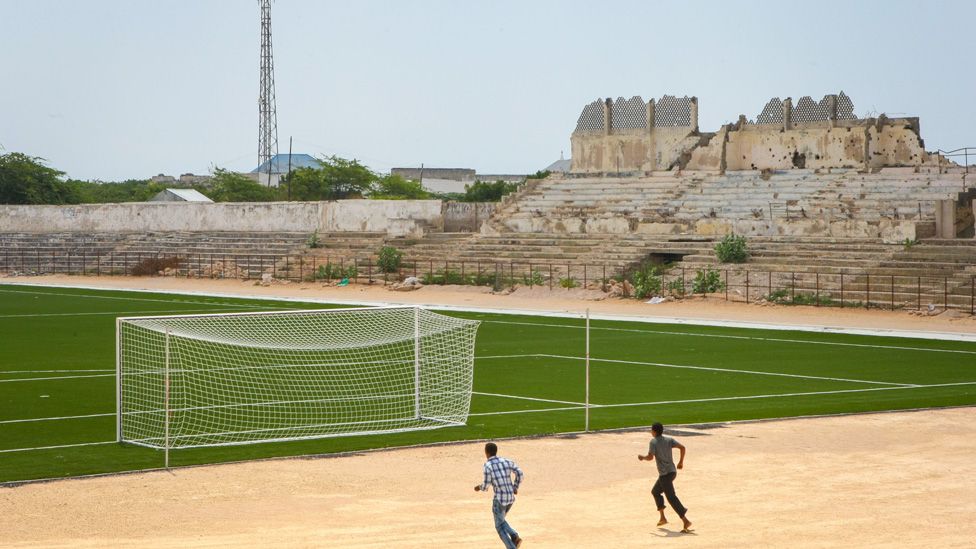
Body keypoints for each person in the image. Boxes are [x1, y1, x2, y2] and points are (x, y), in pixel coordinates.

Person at [638, 422, 692, 532]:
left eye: (651, 430)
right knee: (655, 492)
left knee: (671, 497)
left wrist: (642, 457)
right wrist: (681, 462)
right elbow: (682, 448)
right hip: (672, 472)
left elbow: (650, 457)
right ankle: (662, 518)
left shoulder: (653, 442)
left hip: (665, 475)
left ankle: (685, 520)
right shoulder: (669, 439)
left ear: (654, 431)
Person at [474, 442, 524, 548]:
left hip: (500, 500)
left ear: (486, 452)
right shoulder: (506, 461)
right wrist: (515, 487)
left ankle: (513, 543)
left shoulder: (487, 465)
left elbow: (486, 486)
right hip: (510, 498)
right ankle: (514, 537)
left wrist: (479, 487)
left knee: (499, 526)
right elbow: (520, 473)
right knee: (500, 521)